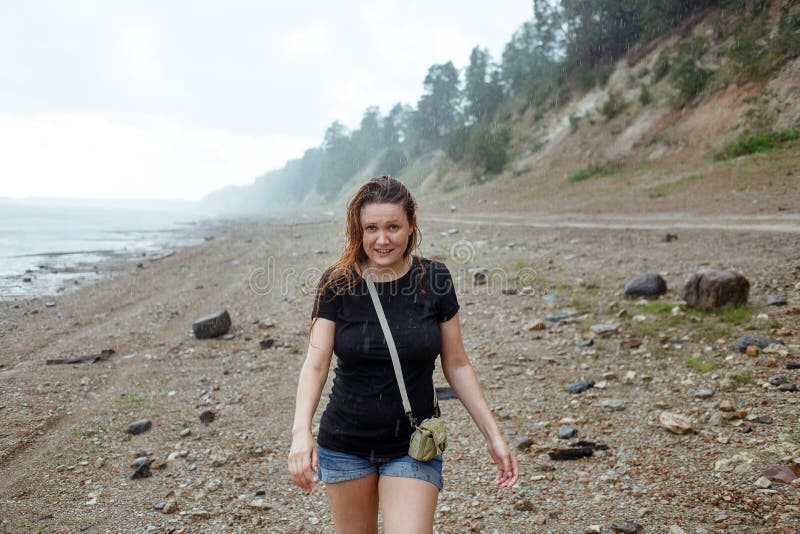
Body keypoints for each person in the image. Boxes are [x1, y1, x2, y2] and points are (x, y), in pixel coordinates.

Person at [288, 175, 518, 533]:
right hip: (345, 443)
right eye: (372, 228)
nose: (382, 239)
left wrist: (494, 436)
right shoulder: (337, 283)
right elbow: (315, 365)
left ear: (411, 225)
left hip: (412, 444)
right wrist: (301, 433)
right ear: (358, 230)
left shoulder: (435, 279)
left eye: (393, 227)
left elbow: (457, 365)